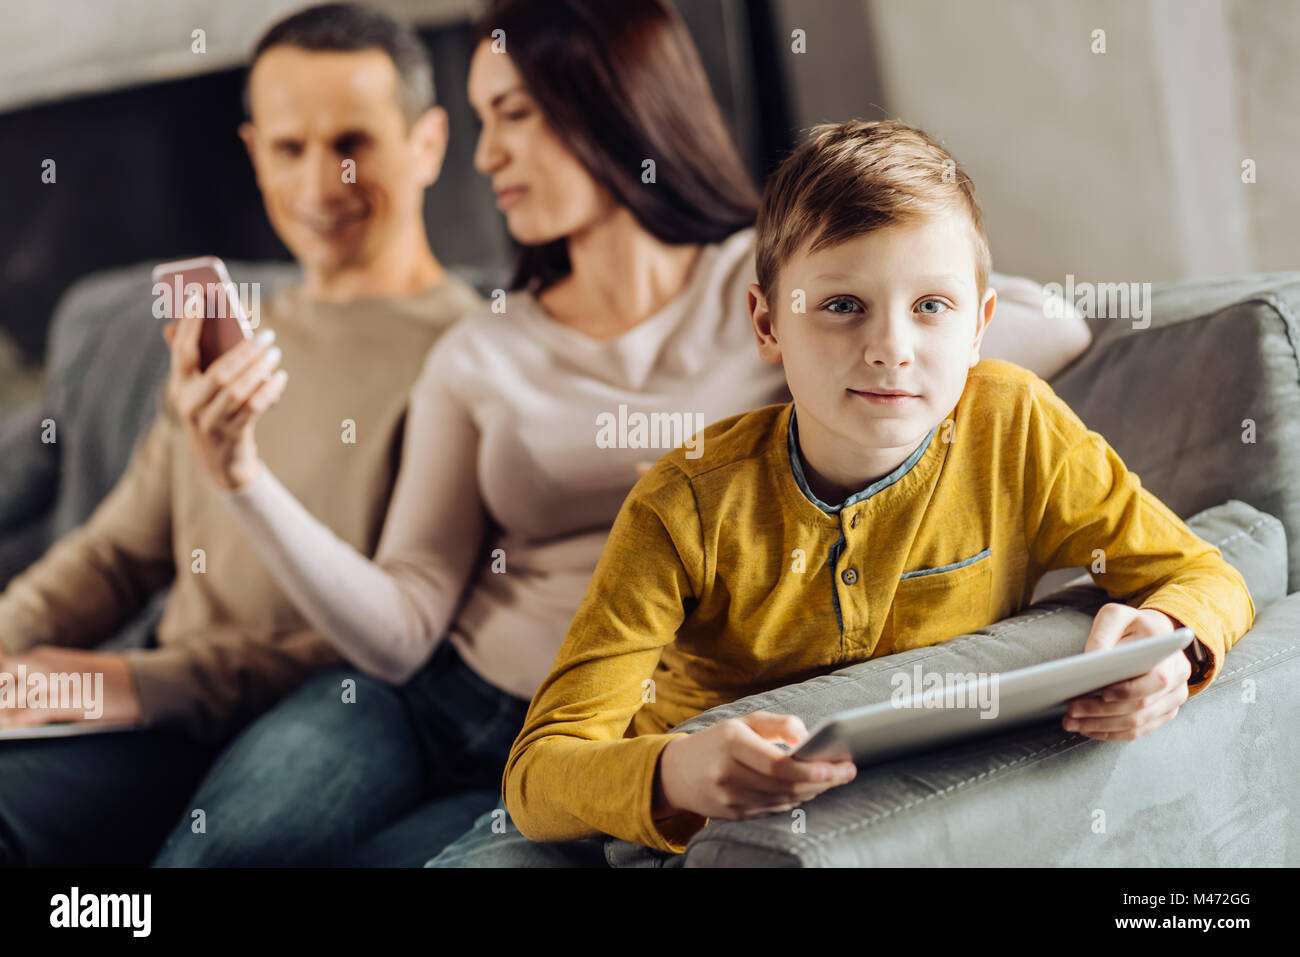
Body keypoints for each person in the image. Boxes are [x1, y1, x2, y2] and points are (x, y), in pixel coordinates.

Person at [154, 0, 1093, 868]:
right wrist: (239, 475)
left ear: (608, 101)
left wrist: (813, 348)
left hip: (606, 732)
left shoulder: (777, 293)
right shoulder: (481, 350)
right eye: (483, 120)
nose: (485, 157)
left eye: (512, 113)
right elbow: (401, 630)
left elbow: (1051, 324)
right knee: (209, 857)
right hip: (430, 699)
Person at [426, 119, 1253, 867]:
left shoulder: (1018, 426)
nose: (890, 348)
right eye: (842, 306)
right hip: (650, 829)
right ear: (766, 324)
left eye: (931, 306)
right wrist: (681, 768)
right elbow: (538, 776)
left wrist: (1173, 645)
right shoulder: (683, 501)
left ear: (979, 324)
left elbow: (1208, 572)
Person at [0, 2, 483, 866]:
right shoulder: (231, 330)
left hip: (310, 721)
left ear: (428, 143)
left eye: (353, 143)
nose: (318, 183)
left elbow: (391, 631)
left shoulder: (472, 355)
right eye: (289, 149)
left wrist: (141, 683)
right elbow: (117, 553)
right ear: (254, 152)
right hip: (152, 713)